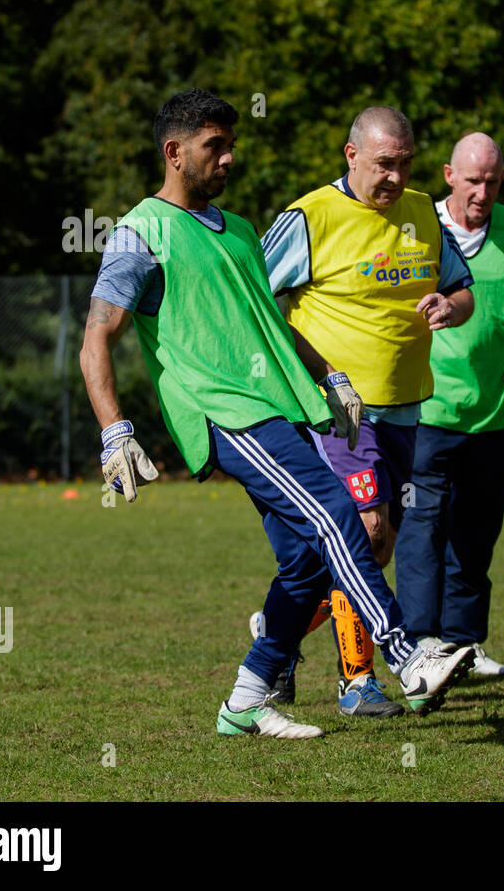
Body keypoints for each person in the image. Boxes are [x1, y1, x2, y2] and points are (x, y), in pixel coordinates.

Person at [80, 89, 473, 739]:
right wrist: (114, 431)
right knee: (338, 511)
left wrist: (330, 377)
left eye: (231, 145)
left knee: (306, 562)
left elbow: (270, 321)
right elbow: (99, 336)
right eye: (215, 147)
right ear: (174, 153)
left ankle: (246, 700)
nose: (229, 158)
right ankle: (408, 657)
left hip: (283, 405)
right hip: (223, 411)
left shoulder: (235, 230)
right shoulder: (138, 232)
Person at [257, 105, 475, 717]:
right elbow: (258, 300)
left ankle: (275, 637)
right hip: (338, 410)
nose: (396, 178)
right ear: (350, 156)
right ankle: (364, 681)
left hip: (407, 407)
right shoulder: (310, 218)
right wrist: (318, 375)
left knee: (368, 550)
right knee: (369, 530)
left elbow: (462, 290)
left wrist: (449, 307)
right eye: (384, 164)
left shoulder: (425, 215)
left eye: (405, 164)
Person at [393, 133, 504, 677]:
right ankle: (420, 644)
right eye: (474, 179)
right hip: (427, 411)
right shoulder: (417, 225)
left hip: (496, 412)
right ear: (448, 175)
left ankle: (465, 643)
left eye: (494, 180)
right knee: (422, 530)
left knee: (477, 533)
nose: (484, 191)